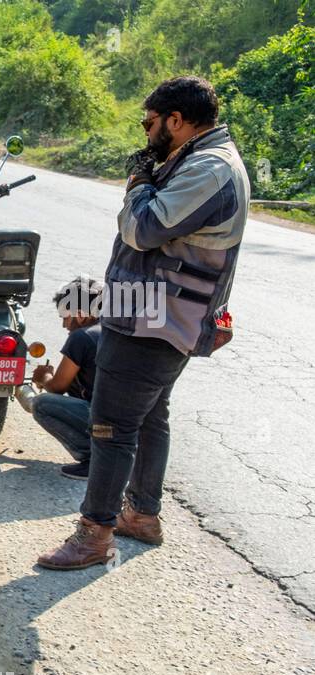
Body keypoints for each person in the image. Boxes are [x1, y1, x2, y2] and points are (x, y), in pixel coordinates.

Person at [38, 76, 249, 570]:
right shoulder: (194, 161)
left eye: (150, 122)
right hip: (154, 313)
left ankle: (94, 536)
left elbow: (144, 229)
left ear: (177, 121)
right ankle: (142, 516)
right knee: (150, 418)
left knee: (111, 427)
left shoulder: (209, 168)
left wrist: (136, 187)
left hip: (155, 320)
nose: (145, 131)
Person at [31, 276, 104, 480]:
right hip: (130, 424)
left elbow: (57, 387)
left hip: (104, 419)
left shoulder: (82, 336)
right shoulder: (113, 330)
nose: (64, 325)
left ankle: (95, 461)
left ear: (80, 314)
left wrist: (43, 376)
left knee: (42, 404)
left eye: (65, 317)